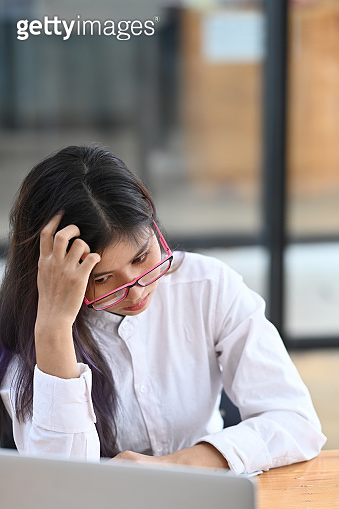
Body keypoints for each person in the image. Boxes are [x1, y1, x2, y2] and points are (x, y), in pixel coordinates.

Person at [0, 145, 326, 474]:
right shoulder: (27, 333)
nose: (138, 288)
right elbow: (60, 485)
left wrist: (170, 467)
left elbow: (296, 421)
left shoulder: (206, 286)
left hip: (208, 495)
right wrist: (54, 330)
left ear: (154, 225)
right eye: (102, 278)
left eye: (141, 257)